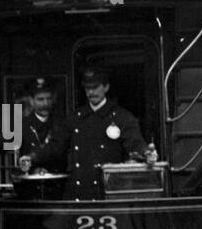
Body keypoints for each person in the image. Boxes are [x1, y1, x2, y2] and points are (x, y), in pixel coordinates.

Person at [19, 65, 156, 200]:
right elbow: (55, 147)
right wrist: (32, 157)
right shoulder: (75, 118)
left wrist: (146, 153)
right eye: (88, 88)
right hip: (79, 193)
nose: (91, 92)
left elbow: (134, 143)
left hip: (108, 191)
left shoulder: (122, 117)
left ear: (106, 87)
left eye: (95, 87)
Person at [18, 77, 60, 162]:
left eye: (48, 99)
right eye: (40, 99)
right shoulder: (22, 125)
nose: (45, 104)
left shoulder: (61, 124)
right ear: (31, 100)